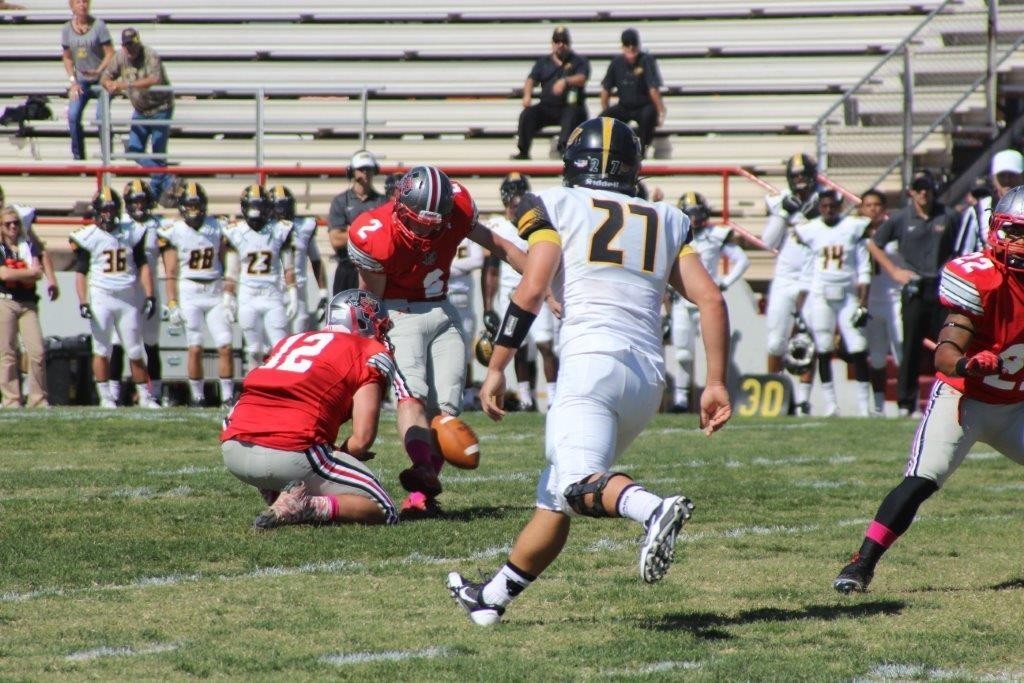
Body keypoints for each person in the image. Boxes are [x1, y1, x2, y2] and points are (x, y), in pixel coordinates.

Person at [446, 117, 732, 626]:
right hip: (645, 378)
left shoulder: (556, 203)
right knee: (556, 493)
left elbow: (531, 288)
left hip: (589, 364)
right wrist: (714, 381)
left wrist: (495, 369)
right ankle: (492, 598)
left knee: (578, 481)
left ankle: (651, 509)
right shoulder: (666, 217)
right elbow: (709, 298)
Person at [833, 185, 1024, 594]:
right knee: (923, 478)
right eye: (1013, 232)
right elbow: (944, 352)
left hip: (1015, 405)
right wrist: (967, 363)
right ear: (995, 230)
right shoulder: (981, 277)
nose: (1019, 244)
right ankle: (861, 563)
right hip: (963, 400)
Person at [347, 165, 527, 517]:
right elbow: (371, 299)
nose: (424, 231)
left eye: (433, 224)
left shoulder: (456, 209)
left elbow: (502, 247)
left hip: (443, 309)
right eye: (417, 222)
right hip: (398, 311)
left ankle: (421, 497)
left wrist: (545, 283)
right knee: (412, 394)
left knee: (447, 408)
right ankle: (423, 470)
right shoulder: (376, 234)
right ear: (400, 207)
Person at [221, 289, 404, 528]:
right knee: (385, 508)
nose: (382, 335)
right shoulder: (368, 351)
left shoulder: (292, 340)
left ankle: (276, 492)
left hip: (233, 448)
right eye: (380, 327)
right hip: (290, 451)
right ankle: (309, 504)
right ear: (363, 321)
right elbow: (362, 439)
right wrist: (345, 454)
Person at [868, 170, 960, 417]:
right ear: (910, 191)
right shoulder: (901, 218)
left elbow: (961, 247)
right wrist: (894, 271)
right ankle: (906, 403)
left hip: (941, 287)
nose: (923, 193)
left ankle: (950, 398)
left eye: (927, 188)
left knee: (948, 343)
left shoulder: (948, 215)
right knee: (910, 346)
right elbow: (874, 243)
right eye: (918, 188)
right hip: (914, 287)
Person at [71, 186, 159, 408]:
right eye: (105, 210)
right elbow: (81, 272)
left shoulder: (132, 232)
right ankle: (106, 397)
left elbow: (143, 265)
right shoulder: (88, 236)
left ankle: (146, 397)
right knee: (102, 349)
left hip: (128, 298)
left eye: (112, 209)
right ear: (97, 211)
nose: (108, 214)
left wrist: (149, 295)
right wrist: (83, 301)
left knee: (136, 349)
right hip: (102, 297)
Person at [482, 172, 560, 412]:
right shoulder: (498, 225)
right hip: (511, 295)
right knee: (518, 346)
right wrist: (488, 307)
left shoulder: (539, 219)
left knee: (545, 345)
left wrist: (549, 295)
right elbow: (491, 270)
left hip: (540, 293)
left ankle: (555, 398)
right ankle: (526, 398)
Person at [793, 189, 872, 417]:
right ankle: (831, 405)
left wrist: (863, 301)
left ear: (839, 206)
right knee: (824, 347)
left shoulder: (852, 227)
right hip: (821, 295)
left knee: (857, 346)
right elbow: (804, 256)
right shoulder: (810, 230)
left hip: (847, 294)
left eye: (832, 206)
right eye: (824, 206)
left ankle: (863, 406)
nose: (828, 210)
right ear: (819, 207)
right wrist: (800, 302)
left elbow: (864, 268)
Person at [669, 192, 749, 412]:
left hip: (704, 303)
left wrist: (724, 282)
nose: (693, 220)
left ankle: (709, 395)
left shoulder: (715, 235)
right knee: (683, 354)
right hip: (681, 302)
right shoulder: (675, 236)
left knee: (709, 353)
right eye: (689, 215)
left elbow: (742, 259)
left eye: (697, 214)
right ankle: (681, 400)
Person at [159, 181, 237, 407]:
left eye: (196, 205)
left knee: (225, 344)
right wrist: (172, 302)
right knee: (195, 345)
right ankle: (198, 396)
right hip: (190, 290)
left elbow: (226, 261)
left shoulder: (217, 225)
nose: (193, 211)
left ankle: (227, 397)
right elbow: (171, 272)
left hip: (214, 289)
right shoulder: (174, 230)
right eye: (189, 206)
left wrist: (229, 292)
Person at [762, 153, 819, 414]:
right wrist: (783, 213)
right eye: (795, 175)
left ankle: (803, 401)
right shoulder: (781, 201)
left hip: (812, 278)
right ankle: (775, 396)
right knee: (776, 342)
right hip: (785, 278)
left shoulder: (824, 200)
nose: (800, 180)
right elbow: (768, 242)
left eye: (803, 174)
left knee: (809, 341)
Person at [223, 184, 297, 369]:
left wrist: (293, 295)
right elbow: (232, 272)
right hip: (248, 296)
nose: (256, 212)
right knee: (254, 350)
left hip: (272, 295)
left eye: (259, 207)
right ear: (244, 207)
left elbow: (288, 268)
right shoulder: (236, 231)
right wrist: (228, 297)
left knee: (282, 349)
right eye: (252, 207)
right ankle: (254, 394)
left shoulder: (280, 230)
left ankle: (283, 394)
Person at [99, 29, 175, 203]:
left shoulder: (150, 55)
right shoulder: (120, 57)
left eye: (132, 45)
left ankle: (156, 194)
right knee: (134, 149)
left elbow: (154, 79)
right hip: (140, 110)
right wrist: (109, 84)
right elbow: (105, 76)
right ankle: (167, 180)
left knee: (158, 153)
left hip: (160, 108)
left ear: (138, 43)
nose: (129, 49)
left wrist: (125, 84)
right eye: (126, 46)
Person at [108, 179, 163, 405]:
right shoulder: (121, 225)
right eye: (135, 201)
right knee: (118, 343)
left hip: (150, 290)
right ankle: (113, 395)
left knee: (151, 343)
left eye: (142, 200)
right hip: (126, 290)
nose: (139, 205)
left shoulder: (159, 225)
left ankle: (155, 394)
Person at [511, 26, 589, 161]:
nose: (561, 45)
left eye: (564, 42)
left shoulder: (578, 61)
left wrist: (566, 81)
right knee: (527, 115)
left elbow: (582, 78)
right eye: (557, 41)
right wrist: (527, 96)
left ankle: (564, 152)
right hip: (547, 106)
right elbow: (531, 80)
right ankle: (523, 151)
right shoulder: (543, 62)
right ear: (552, 44)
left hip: (569, 106)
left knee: (571, 114)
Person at [0, 206, 48, 407]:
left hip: (28, 303)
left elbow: (39, 271)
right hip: (6, 300)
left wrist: (20, 273)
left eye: (16, 223)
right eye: (8, 223)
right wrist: (28, 273)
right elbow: (4, 275)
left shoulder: (27, 244)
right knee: (7, 353)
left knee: (37, 352)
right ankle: (11, 399)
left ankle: (38, 399)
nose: (12, 227)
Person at [861, 189, 903, 416]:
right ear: (861, 208)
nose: (873, 209)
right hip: (872, 300)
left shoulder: (895, 228)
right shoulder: (855, 231)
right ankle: (878, 406)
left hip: (895, 297)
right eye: (868, 205)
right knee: (876, 356)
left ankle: (906, 403)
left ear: (884, 208)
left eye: (877, 204)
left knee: (901, 351)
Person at [268, 185, 329, 333]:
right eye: (279, 207)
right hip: (271, 291)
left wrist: (323, 294)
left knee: (297, 339)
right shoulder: (264, 228)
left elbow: (315, 261)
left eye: (286, 206)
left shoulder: (304, 226)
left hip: (299, 291)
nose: (283, 211)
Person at [60, 0, 114, 161]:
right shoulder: (67, 29)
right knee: (73, 115)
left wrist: (98, 70)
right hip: (82, 79)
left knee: (100, 116)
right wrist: (73, 80)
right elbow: (67, 57)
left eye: (85, 1)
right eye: (78, 2)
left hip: (101, 78)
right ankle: (78, 156)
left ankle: (107, 156)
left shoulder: (98, 26)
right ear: (72, 6)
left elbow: (110, 53)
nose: (82, 5)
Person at [599, 29, 666, 157]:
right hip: (624, 106)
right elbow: (606, 89)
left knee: (648, 116)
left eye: (633, 44)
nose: (630, 48)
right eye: (627, 44)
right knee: (604, 119)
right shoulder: (616, 63)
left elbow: (653, 89)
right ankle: (608, 152)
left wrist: (660, 111)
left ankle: (641, 152)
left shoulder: (646, 60)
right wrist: (605, 109)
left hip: (643, 105)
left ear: (638, 45)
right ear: (622, 47)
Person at [328, 150, 386, 295]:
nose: (365, 173)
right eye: (361, 169)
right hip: (347, 268)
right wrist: (370, 233)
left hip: (373, 270)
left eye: (369, 169)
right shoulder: (340, 201)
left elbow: (386, 238)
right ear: (352, 172)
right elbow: (336, 240)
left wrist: (350, 231)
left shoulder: (382, 202)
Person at [954, 148, 1024, 256]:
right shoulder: (978, 210)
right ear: (993, 179)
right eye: (1002, 175)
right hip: (988, 270)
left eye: (1012, 175)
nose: (1007, 180)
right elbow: (964, 254)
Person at [0, 185, 60, 302]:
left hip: (17, 289)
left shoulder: (16, 219)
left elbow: (39, 248)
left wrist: (52, 280)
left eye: (0, 199)